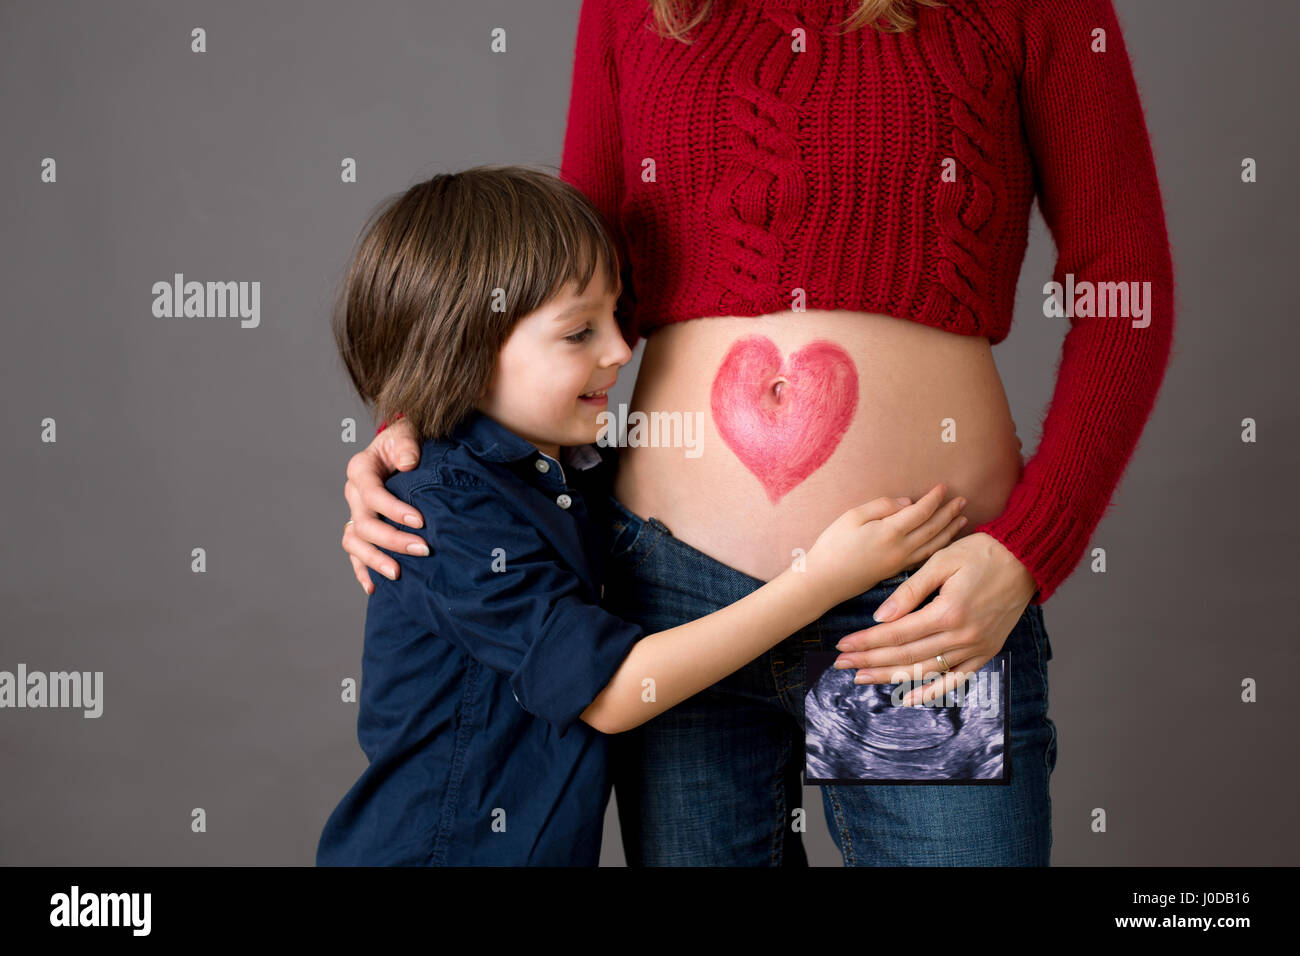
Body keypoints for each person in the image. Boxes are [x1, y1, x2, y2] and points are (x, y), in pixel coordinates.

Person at [340, 0, 1176, 865]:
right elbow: (552, 272)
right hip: (666, 596)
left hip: (913, 608)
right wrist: (417, 429)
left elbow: (1125, 283)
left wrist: (1030, 548)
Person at [316, 165, 969, 865]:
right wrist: (821, 580)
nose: (622, 350)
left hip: (884, 611)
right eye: (580, 333)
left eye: (620, 315)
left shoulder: (565, 472)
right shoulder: (444, 511)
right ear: (461, 353)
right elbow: (613, 692)